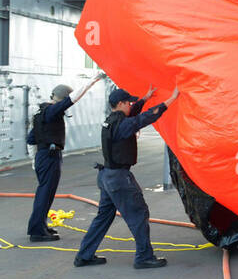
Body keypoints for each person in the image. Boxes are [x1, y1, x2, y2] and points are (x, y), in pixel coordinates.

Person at [74, 82, 180, 269]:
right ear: (121, 103)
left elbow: (134, 115)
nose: (131, 105)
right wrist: (170, 100)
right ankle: (144, 257)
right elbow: (145, 118)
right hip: (119, 179)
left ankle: (84, 255)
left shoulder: (111, 120)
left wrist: (145, 98)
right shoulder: (122, 125)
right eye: (128, 103)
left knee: (103, 217)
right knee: (139, 214)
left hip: (106, 176)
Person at [26, 72, 105, 242]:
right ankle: (37, 232)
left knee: (45, 193)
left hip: (42, 156)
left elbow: (31, 139)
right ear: (62, 99)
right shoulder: (53, 111)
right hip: (50, 157)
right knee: (45, 194)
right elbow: (73, 99)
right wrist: (92, 81)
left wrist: (34, 160)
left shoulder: (40, 114)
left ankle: (40, 225)